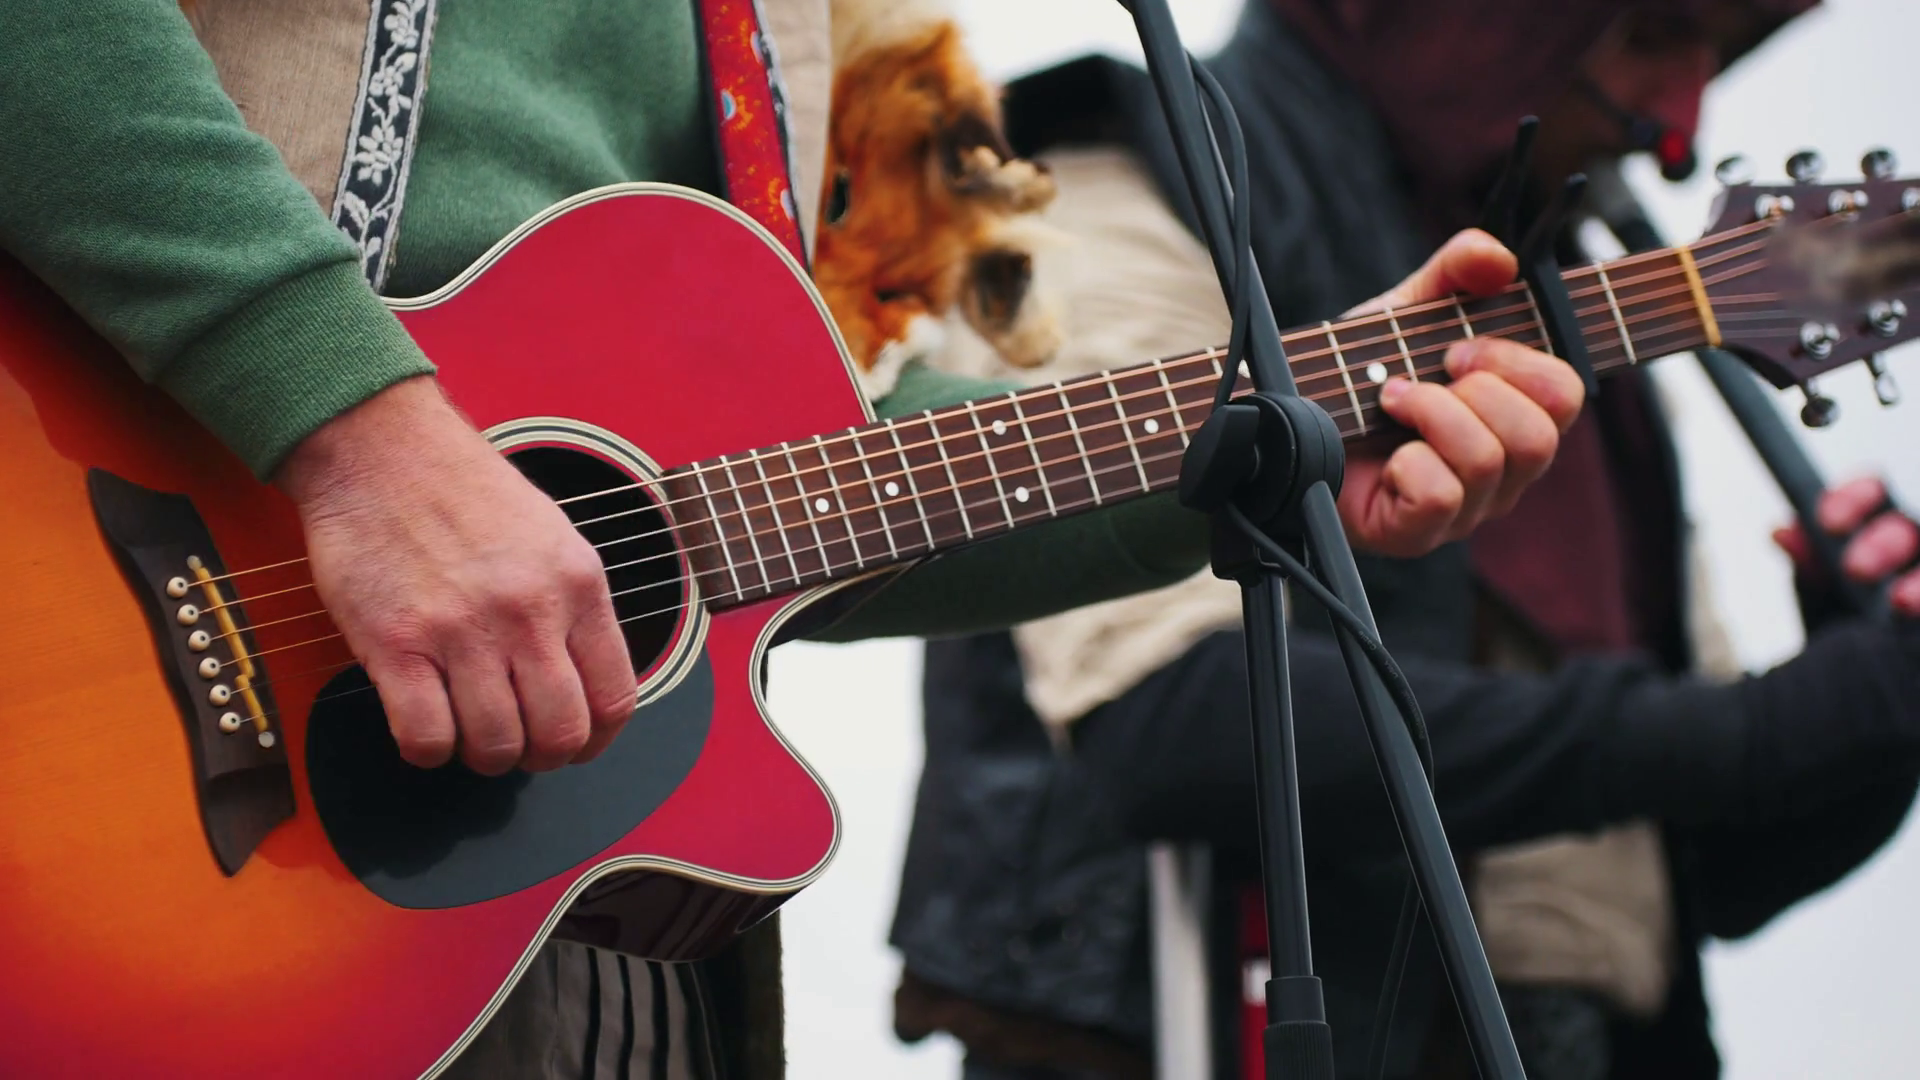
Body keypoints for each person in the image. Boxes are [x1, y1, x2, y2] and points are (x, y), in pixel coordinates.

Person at [0, 2, 1584, 1078]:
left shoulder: (873, 37)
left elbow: (815, 487)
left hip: (572, 932)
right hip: (104, 680)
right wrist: (350, 425)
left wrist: (1273, 442)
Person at [889, 2, 1920, 1078]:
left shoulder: (1564, 310)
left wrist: (1860, 711)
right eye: (1652, 32)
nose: (1682, 123)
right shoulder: (1135, 168)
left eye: (1724, 56)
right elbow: (1172, 722)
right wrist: (1747, 734)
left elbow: (1689, 858)